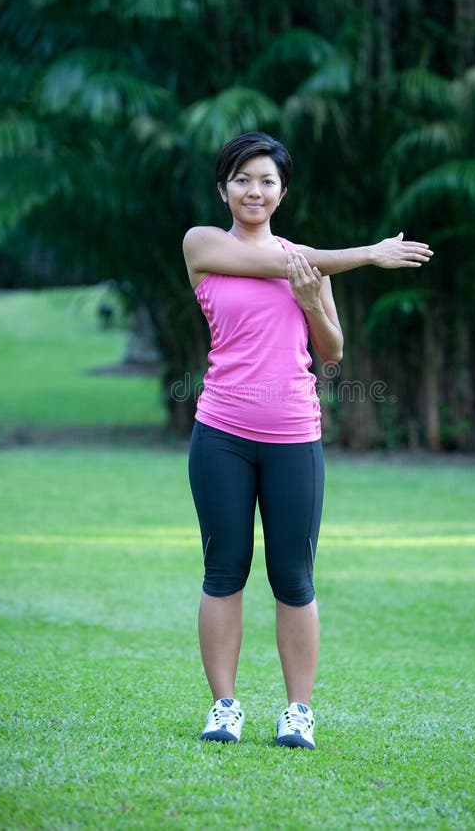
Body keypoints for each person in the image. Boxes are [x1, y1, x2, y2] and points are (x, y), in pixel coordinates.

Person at [182, 131, 433, 749]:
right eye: (242, 179)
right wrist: (370, 253)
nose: (254, 191)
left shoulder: (310, 265)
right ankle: (224, 707)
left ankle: (298, 712)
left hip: (294, 437)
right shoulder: (203, 244)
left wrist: (311, 300)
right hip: (221, 434)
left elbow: (333, 349)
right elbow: (276, 263)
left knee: (293, 576)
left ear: (283, 192)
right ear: (223, 189)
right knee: (224, 569)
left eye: (267, 181)